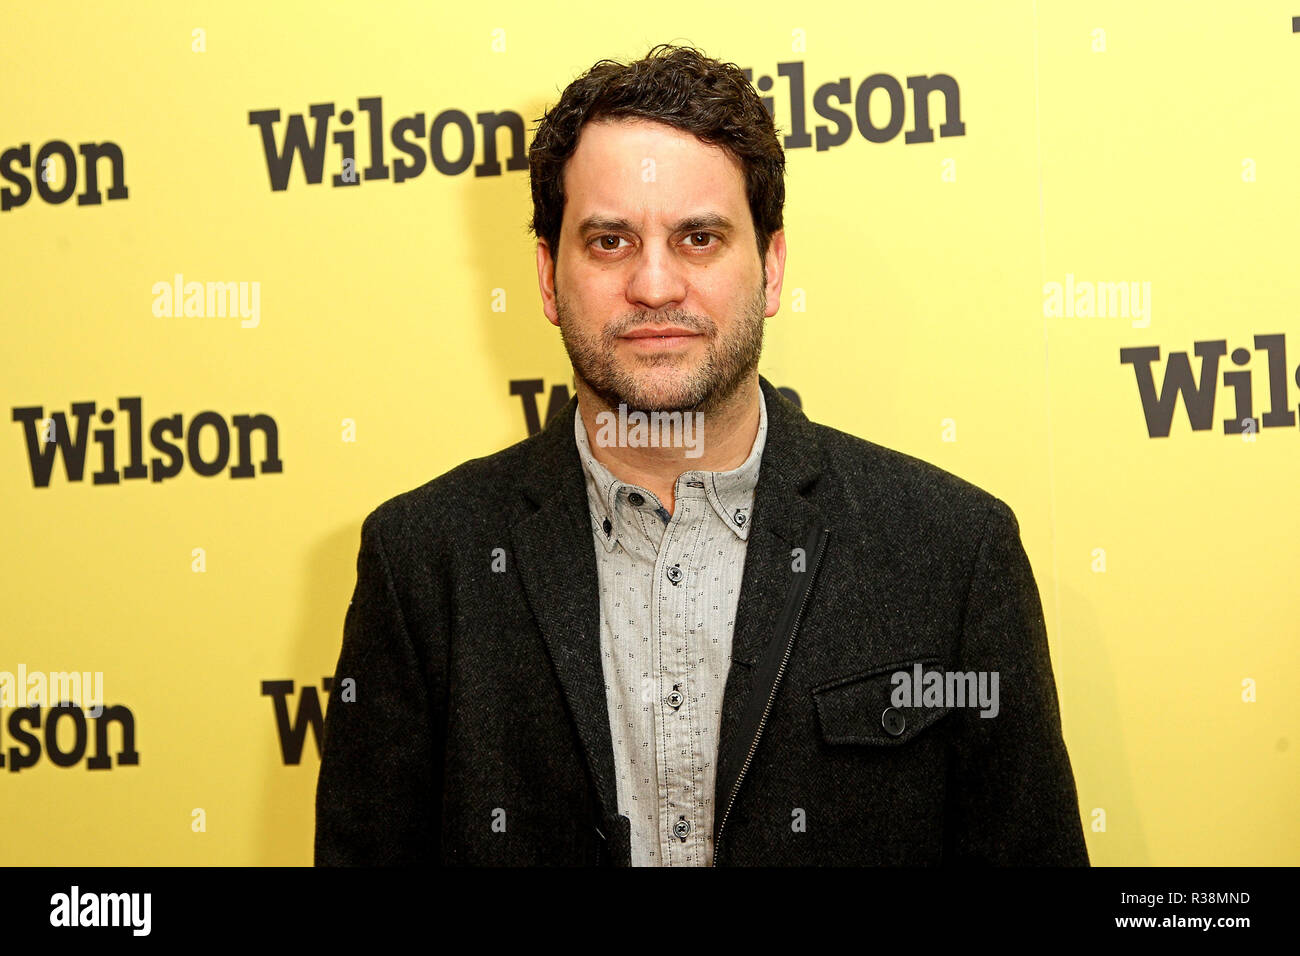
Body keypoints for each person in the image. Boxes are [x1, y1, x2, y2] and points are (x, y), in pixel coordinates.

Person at [314, 43, 1089, 866]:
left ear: (772, 266)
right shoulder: (425, 563)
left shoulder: (952, 552)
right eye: (610, 241)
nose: (654, 285)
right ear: (547, 276)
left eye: (699, 238)